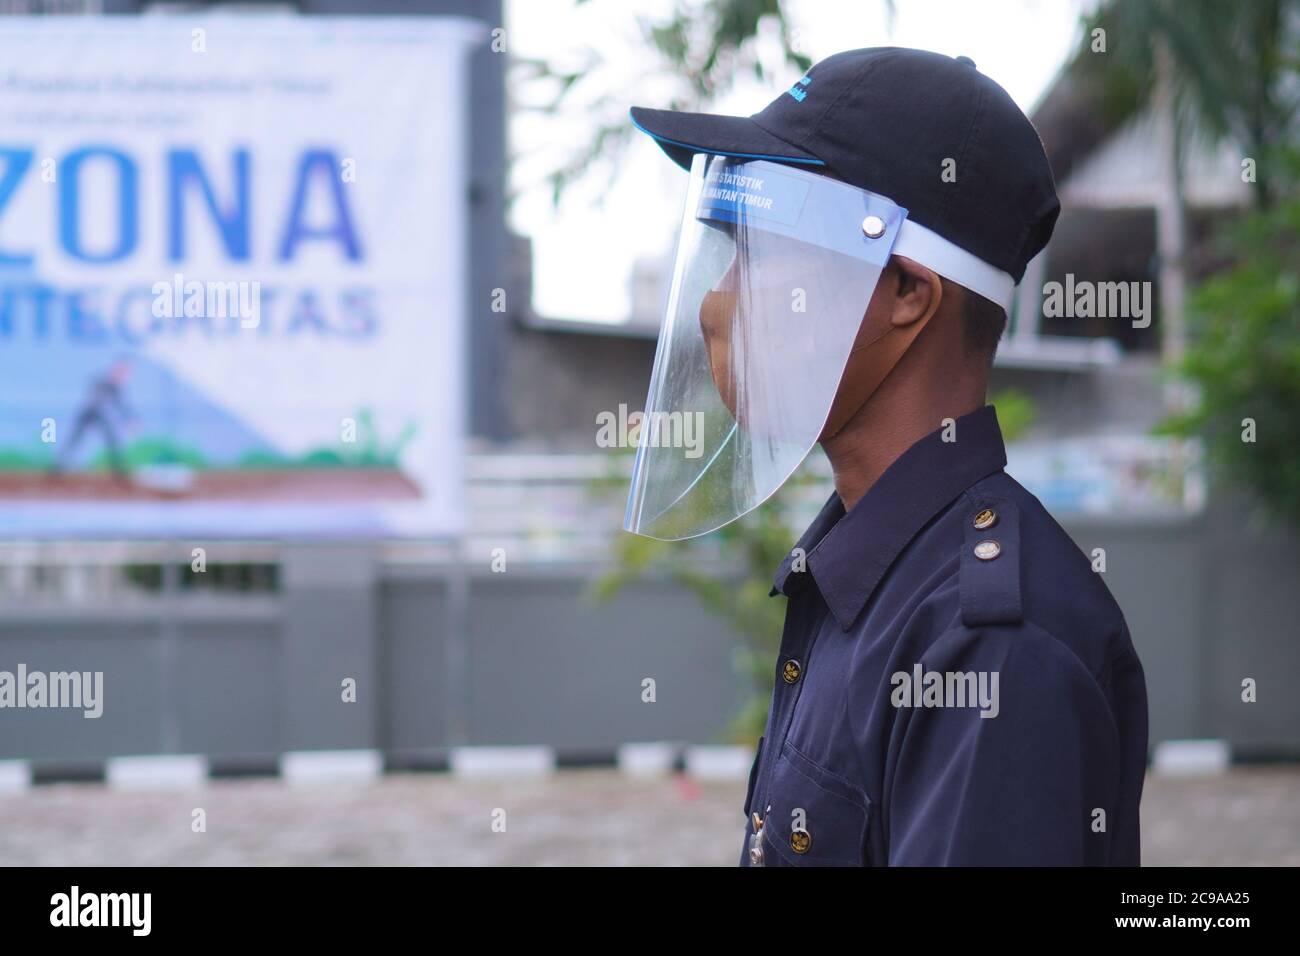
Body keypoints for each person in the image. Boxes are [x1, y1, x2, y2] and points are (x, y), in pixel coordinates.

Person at [624, 47, 1148, 866]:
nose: (718, 305)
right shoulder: (866, 581)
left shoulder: (991, 645)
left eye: (761, 254)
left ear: (907, 291)